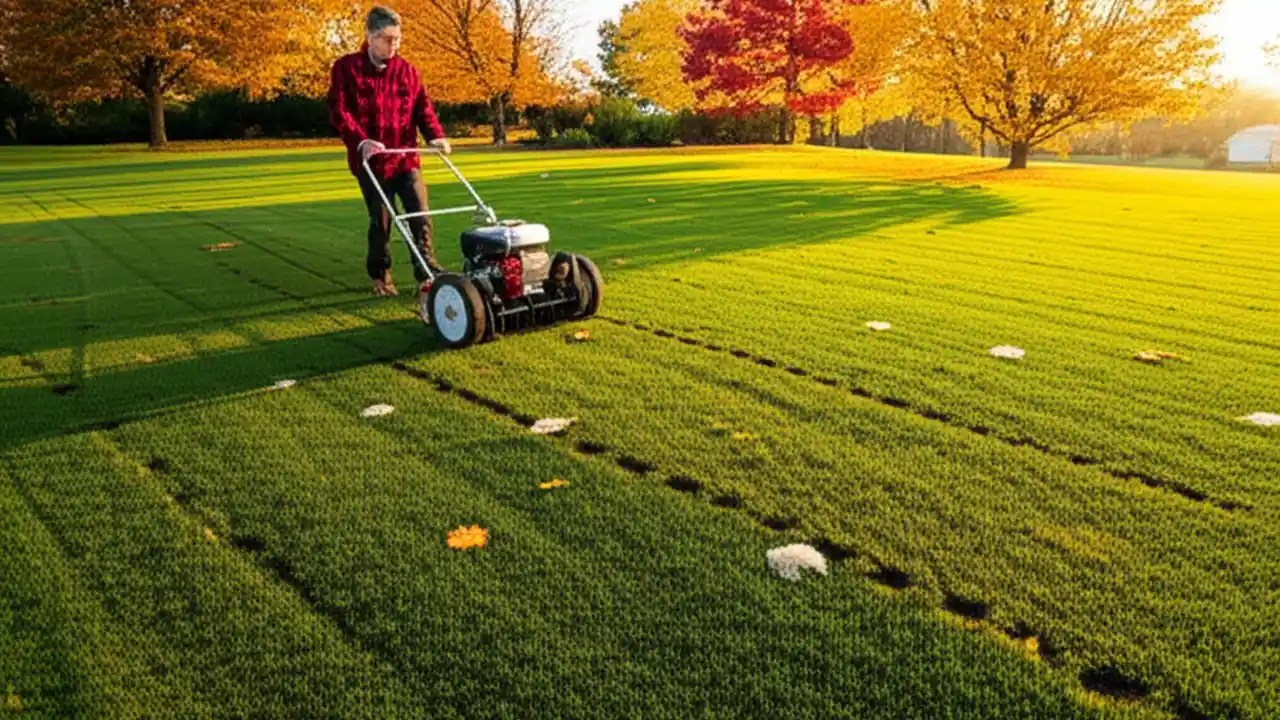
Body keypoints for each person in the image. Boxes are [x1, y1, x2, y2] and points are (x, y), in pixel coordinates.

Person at [327, 5, 453, 297]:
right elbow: (339, 112)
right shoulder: (347, 68)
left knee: (420, 215)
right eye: (387, 38)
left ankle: (427, 271)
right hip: (370, 161)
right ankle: (380, 274)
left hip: (405, 156)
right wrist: (362, 141)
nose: (394, 44)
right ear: (370, 37)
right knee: (381, 219)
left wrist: (436, 137)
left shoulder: (407, 71)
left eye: (398, 38)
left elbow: (423, 110)